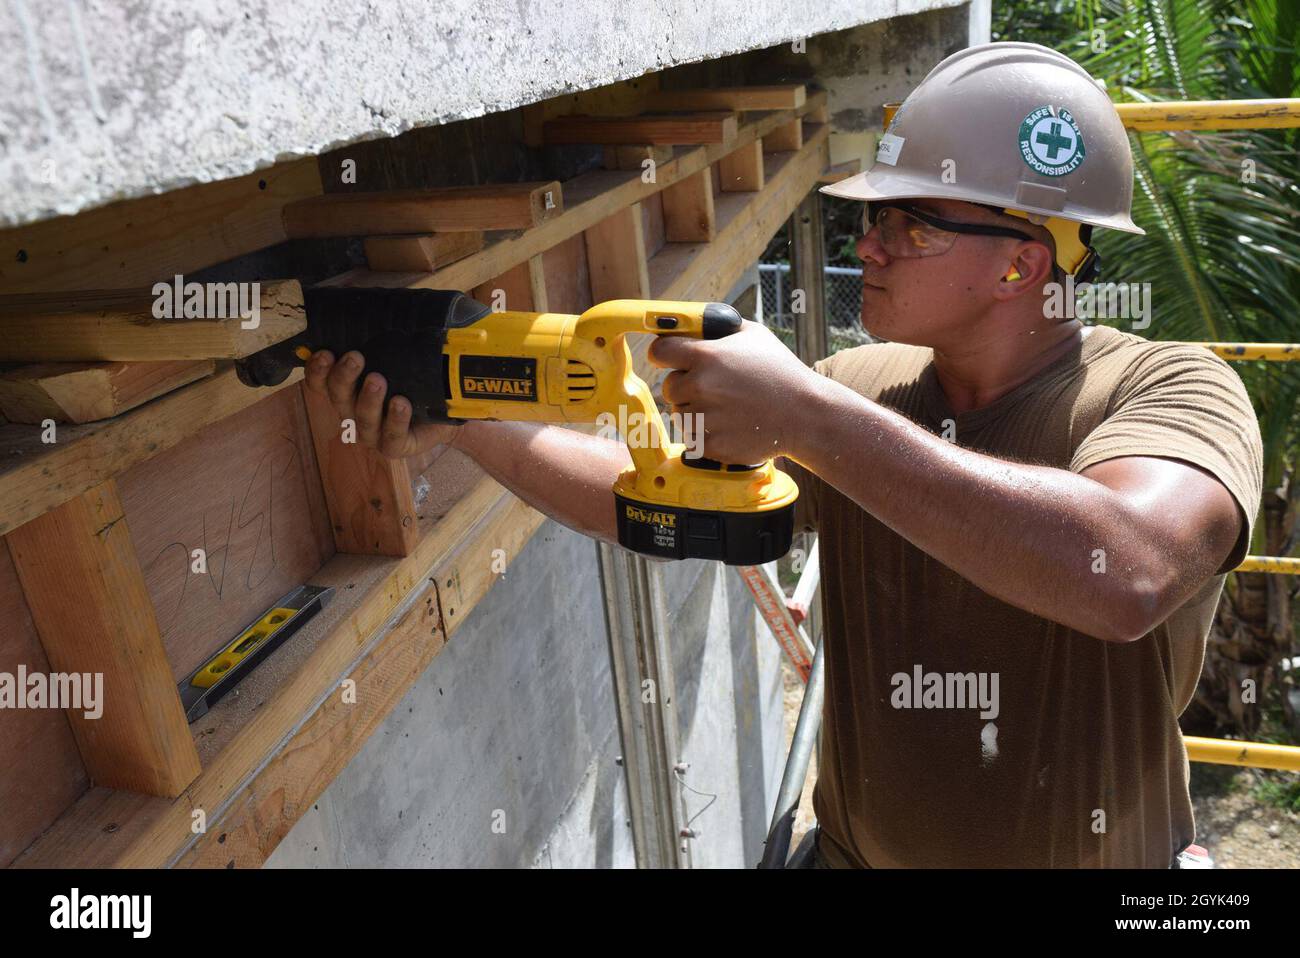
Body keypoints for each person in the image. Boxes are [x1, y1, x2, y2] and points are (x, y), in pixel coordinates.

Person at [306, 42, 1263, 868]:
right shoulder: (865, 384)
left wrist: (807, 415)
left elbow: (1125, 571)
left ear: (1021, 264)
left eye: (907, 223)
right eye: (871, 218)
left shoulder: (1171, 390)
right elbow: (650, 498)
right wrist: (465, 414)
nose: (870, 245)